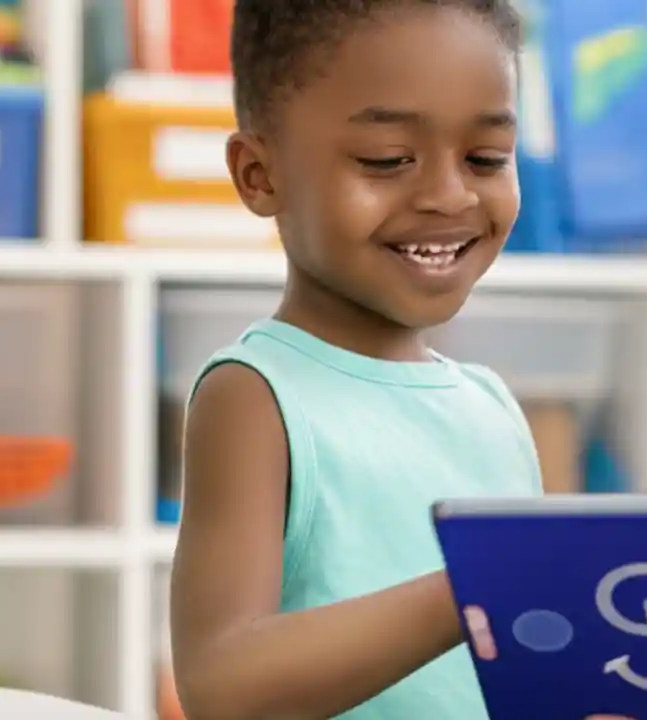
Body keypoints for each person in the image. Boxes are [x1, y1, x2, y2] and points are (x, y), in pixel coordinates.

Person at [167, 1, 542, 718]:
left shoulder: (491, 406)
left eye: (486, 158)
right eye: (388, 160)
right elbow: (220, 683)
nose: (449, 196)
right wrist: (475, 583)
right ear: (259, 175)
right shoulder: (255, 395)